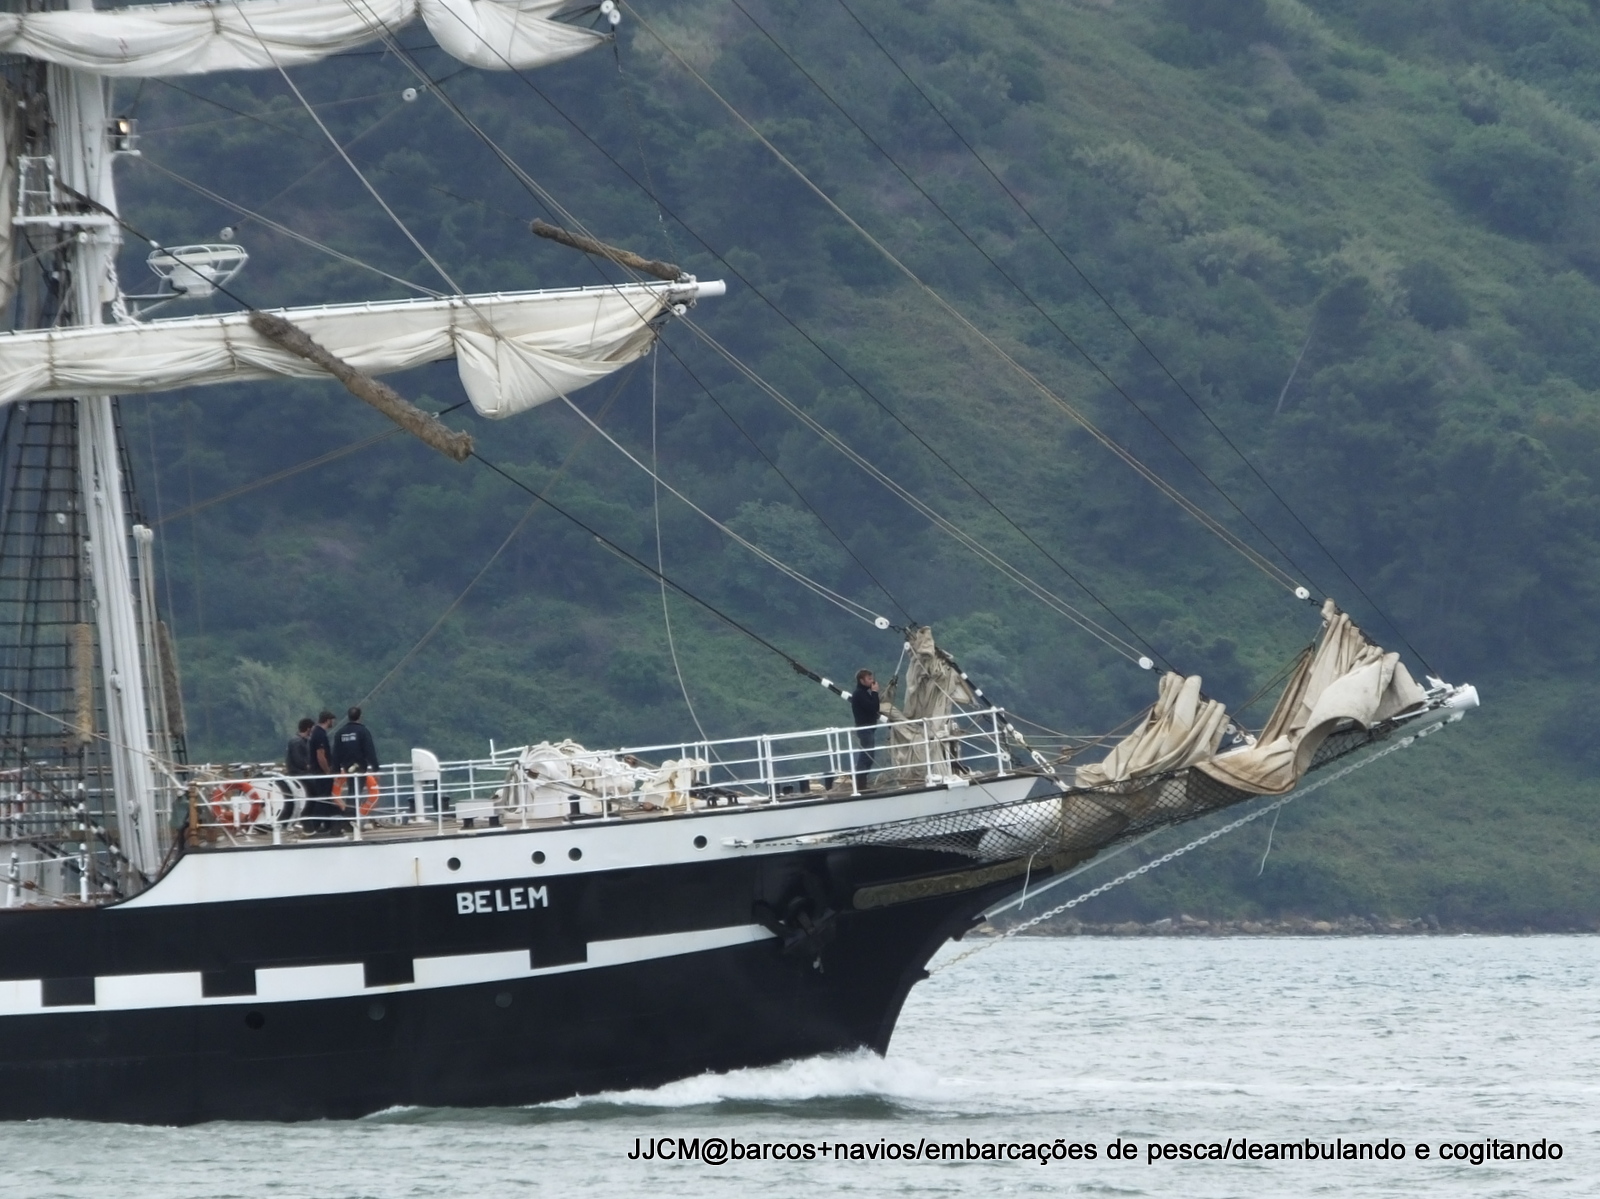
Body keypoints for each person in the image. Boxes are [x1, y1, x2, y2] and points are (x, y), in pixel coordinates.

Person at [301, 710, 341, 835]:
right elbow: (320, 755)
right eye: (332, 720)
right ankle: (315, 825)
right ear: (328, 720)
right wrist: (327, 771)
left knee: (326, 798)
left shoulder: (315, 733)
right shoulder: (320, 734)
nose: (333, 722)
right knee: (323, 798)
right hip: (321, 772)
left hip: (317, 772)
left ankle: (329, 824)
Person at [334, 706, 380, 815]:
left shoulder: (340, 733)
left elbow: (336, 753)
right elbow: (370, 751)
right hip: (359, 768)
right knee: (355, 793)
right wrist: (376, 769)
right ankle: (348, 819)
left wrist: (335, 770)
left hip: (347, 768)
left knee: (352, 791)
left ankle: (349, 817)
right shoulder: (363, 731)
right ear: (360, 717)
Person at [849, 668, 880, 792]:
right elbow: (873, 707)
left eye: (872, 678)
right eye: (869, 679)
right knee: (866, 756)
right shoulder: (859, 694)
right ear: (861, 681)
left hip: (869, 728)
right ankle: (860, 785)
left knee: (868, 755)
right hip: (864, 728)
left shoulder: (863, 693)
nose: (872, 681)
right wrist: (875, 693)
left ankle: (862, 783)